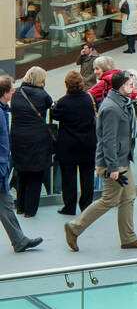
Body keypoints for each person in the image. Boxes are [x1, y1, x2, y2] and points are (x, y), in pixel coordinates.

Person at [63, 70, 137, 253]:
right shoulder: (112, 108)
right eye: (130, 84)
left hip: (122, 159)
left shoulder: (120, 103)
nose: (133, 87)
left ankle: (128, 238)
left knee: (128, 197)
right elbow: (107, 140)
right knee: (110, 199)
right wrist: (113, 167)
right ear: (121, 86)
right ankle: (74, 227)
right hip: (113, 162)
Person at [0, 75, 42, 253]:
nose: (14, 91)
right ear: (5, 92)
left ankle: (19, 240)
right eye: (11, 89)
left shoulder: (3, 109)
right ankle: (19, 240)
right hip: (0, 167)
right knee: (6, 203)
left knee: (6, 203)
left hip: (2, 167)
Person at [52, 68, 97, 216]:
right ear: (82, 83)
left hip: (68, 145)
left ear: (67, 85)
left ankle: (69, 207)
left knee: (69, 179)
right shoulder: (89, 99)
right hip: (88, 144)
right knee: (87, 178)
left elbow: (55, 114)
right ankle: (86, 206)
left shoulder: (63, 102)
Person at [10, 67, 53, 217]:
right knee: (35, 174)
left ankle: (20, 206)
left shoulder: (15, 94)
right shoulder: (43, 95)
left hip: (17, 138)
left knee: (21, 172)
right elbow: (51, 106)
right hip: (37, 139)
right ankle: (30, 210)